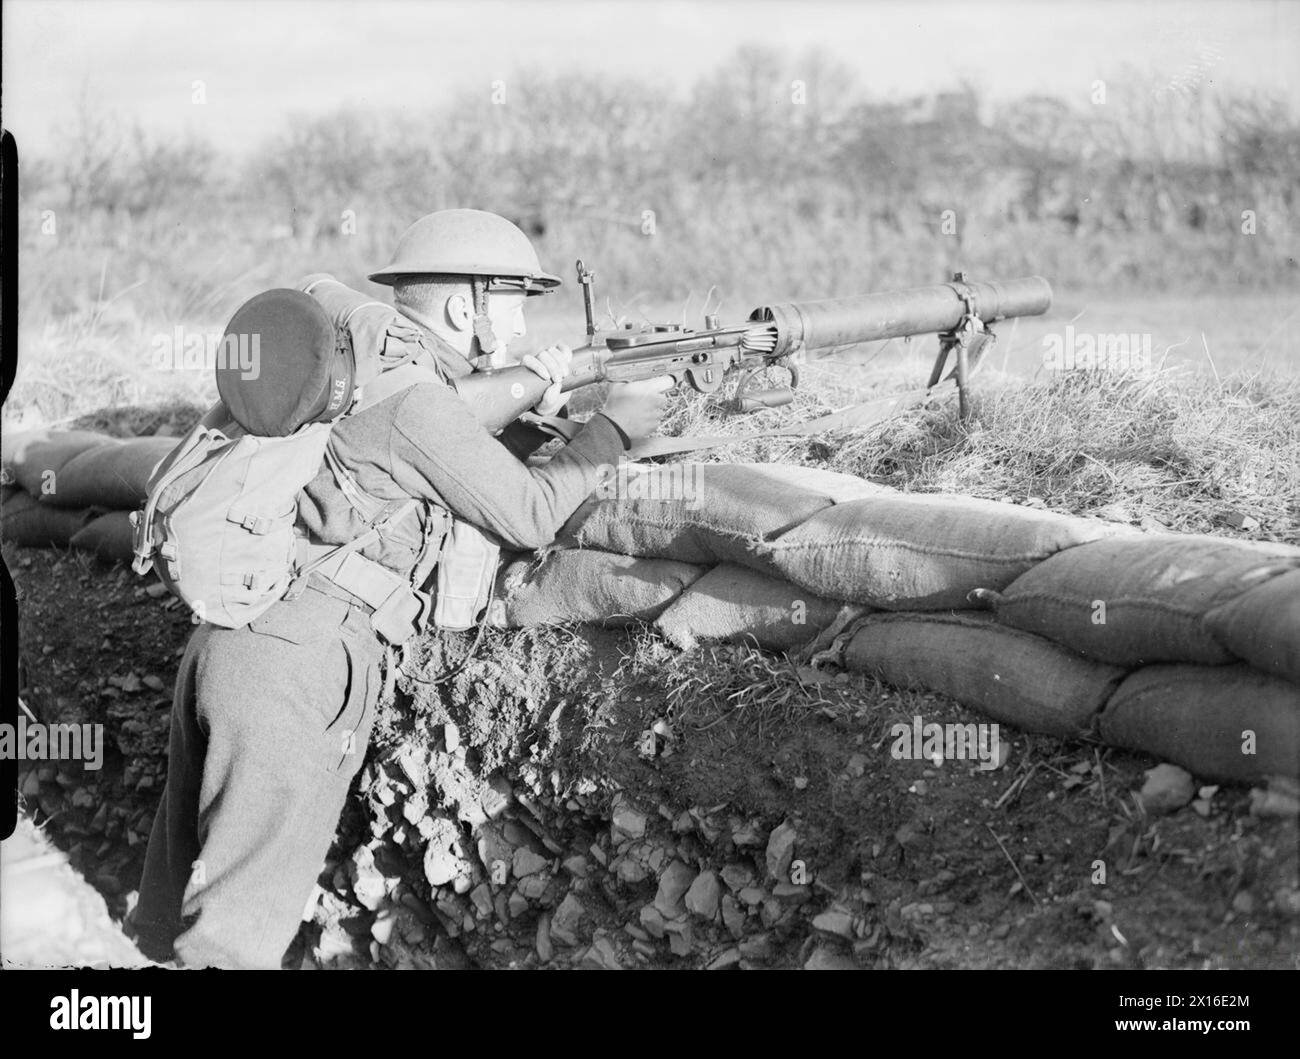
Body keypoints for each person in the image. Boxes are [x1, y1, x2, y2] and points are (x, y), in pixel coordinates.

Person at [131, 210, 668, 968]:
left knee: (173, 911)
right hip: (299, 667)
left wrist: (538, 400)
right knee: (229, 939)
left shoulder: (369, 370)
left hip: (232, 643)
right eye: (513, 300)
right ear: (463, 308)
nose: (520, 323)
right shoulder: (416, 404)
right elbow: (529, 512)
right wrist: (615, 425)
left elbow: (425, 454)